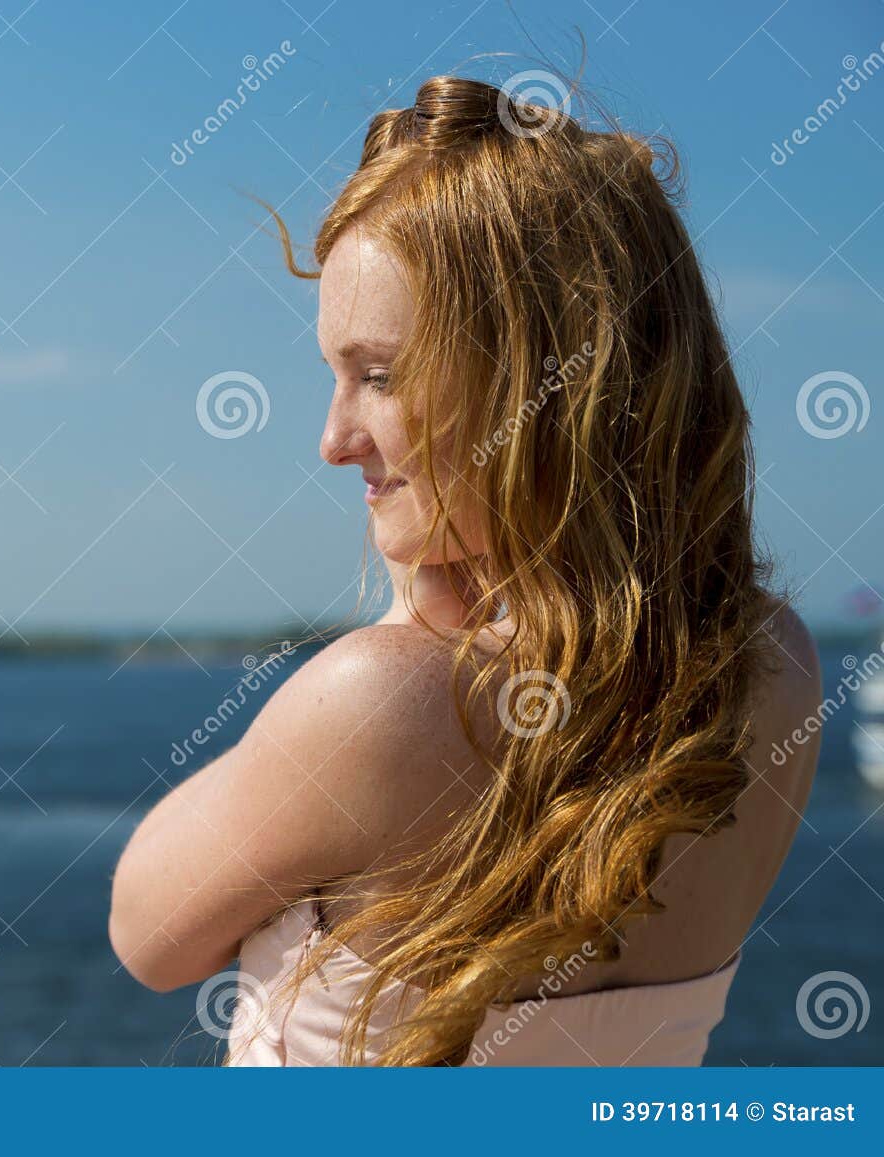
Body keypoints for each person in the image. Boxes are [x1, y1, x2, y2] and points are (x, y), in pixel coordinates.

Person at [108, 75, 823, 1066]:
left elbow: (144, 930)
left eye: (380, 374)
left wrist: (407, 624)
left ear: (538, 381)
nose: (331, 438)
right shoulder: (774, 663)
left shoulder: (382, 705)